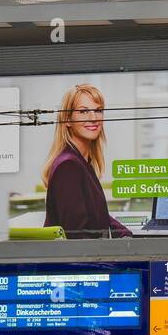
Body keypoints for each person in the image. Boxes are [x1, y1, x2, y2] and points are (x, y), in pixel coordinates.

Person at [42, 83, 132, 239]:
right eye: (83, 111)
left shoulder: (81, 161)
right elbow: (78, 237)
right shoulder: (68, 166)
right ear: (67, 120)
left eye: (98, 111)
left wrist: (125, 235)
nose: (93, 118)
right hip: (81, 261)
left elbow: (98, 216)